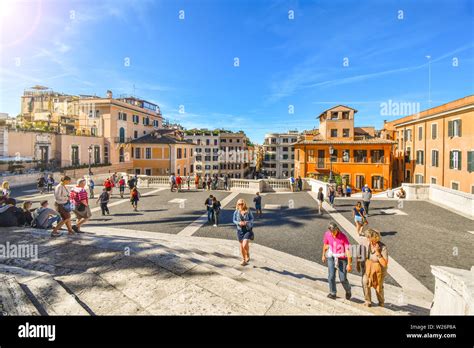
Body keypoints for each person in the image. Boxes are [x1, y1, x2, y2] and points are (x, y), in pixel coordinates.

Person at [321, 222, 352, 300]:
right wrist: (323, 255)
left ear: (337, 229)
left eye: (334, 232)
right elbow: (325, 245)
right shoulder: (327, 234)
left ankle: (348, 290)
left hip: (342, 258)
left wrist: (349, 264)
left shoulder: (343, 237)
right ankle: (333, 293)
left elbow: (348, 251)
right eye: (331, 232)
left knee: (342, 279)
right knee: (331, 276)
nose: (332, 234)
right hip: (331, 256)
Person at [360, 229, 389, 307]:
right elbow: (361, 253)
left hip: (379, 269)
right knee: (365, 282)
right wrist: (359, 263)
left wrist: (378, 253)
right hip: (368, 267)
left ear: (373, 237)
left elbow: (385, 264)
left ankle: (381, 302)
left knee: (378, 286)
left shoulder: (382, 247)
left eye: (368, 237)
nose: (366, 239)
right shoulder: (366, 243)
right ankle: (368, 301)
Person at [232, 199, 254, 266]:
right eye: (239, 204)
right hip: (240, 230)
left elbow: (252, 218)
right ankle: (244, 260)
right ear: (237, 205)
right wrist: (239, 223)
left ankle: (247, 253)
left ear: (244, 204)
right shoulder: (236, 212)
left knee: (244, 244)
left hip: (247, 229)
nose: (240, 205)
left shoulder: (248, 210)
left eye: (241, 204)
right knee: (241, 246)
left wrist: (247, 222)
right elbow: (233, 220)